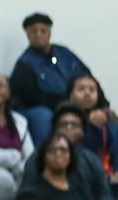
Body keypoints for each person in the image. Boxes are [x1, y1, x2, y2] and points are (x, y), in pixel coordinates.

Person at [11, 13, 98, 145]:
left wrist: (102, 105)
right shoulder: (24, 64)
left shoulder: (64, 53)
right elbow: (32, 98)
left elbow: (88, 77)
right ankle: (46, 157)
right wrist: (68, 104)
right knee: (43, 116)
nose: (39, 34)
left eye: (43, 30)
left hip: (75, 103)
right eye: (34, 31)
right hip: (45, 108)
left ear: (49, 32)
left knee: (107, 116)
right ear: (28, 35)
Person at [51, 106, 116, 200]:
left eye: (74, 125)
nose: (69, 127)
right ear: (55, 130)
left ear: (82, 132)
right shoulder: (39, 157)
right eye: (64, 124)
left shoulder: (92, 160)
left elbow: (104, 194)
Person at [69, 75, 118, 183]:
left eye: (92, 89)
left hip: (111, 177)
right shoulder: (63, 119)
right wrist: (88, 123)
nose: (87, 93)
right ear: (71, 95)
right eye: (81, 89)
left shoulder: (109, 120)